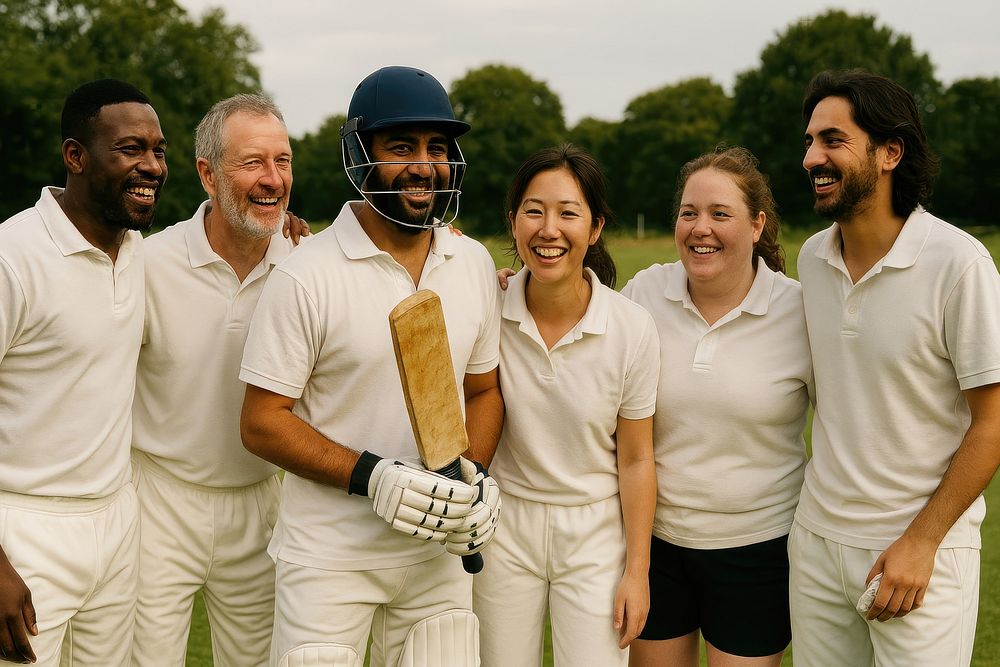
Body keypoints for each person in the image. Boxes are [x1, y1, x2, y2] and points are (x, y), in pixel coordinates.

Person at [239, 66, 504, 667]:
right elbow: (260, 421)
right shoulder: (307, 274)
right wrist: (373, 476)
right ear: (360, 154)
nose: (424, 165)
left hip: (437, 555)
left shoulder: (471, 263)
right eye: (401, 147)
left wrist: (475, 474)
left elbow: (484, 391)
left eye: (437, 148)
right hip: (329, 556)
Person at [790, 69, 1000, 666]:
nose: (811, 157)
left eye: (832, 140)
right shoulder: (812, 258)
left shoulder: (959, 264)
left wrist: (923, 540)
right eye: (809, 142)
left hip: (918, 556)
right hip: (818, 547)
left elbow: (992, 423)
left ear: (889, 152)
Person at [622, 147, 812, 667]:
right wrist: (508, 283)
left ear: (757, 225)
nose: (700, 227)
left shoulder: (799, 309)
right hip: (654, 546)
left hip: (760, 549)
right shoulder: (643, 292)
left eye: (719, 214)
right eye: (689, 212)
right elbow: (575, 319)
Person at [0, 79, 166, 665]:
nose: (151, 166)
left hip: (117, 524)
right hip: (23, 532)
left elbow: (225, 243)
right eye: (130, 149)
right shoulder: (12, 258)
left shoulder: (141, 251)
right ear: (75, 155)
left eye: (158, 150)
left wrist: (294, 229)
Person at [131, 93, 300, 666]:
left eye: (283, 161)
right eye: (252, 162)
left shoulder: (308, 268)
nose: (272, 179)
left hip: (262, 502)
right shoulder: (148, 264)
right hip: (159, 501)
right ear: (207, 173)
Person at [473, 145, 659, 666]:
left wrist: (637, 573)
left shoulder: (631, 327)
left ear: (595, 228)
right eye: (533, 211)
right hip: (503, 527)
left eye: (568, 213)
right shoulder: (486, 306)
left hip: (596, 534)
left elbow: (637, 458)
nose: (548, 229)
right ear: (513, 222)